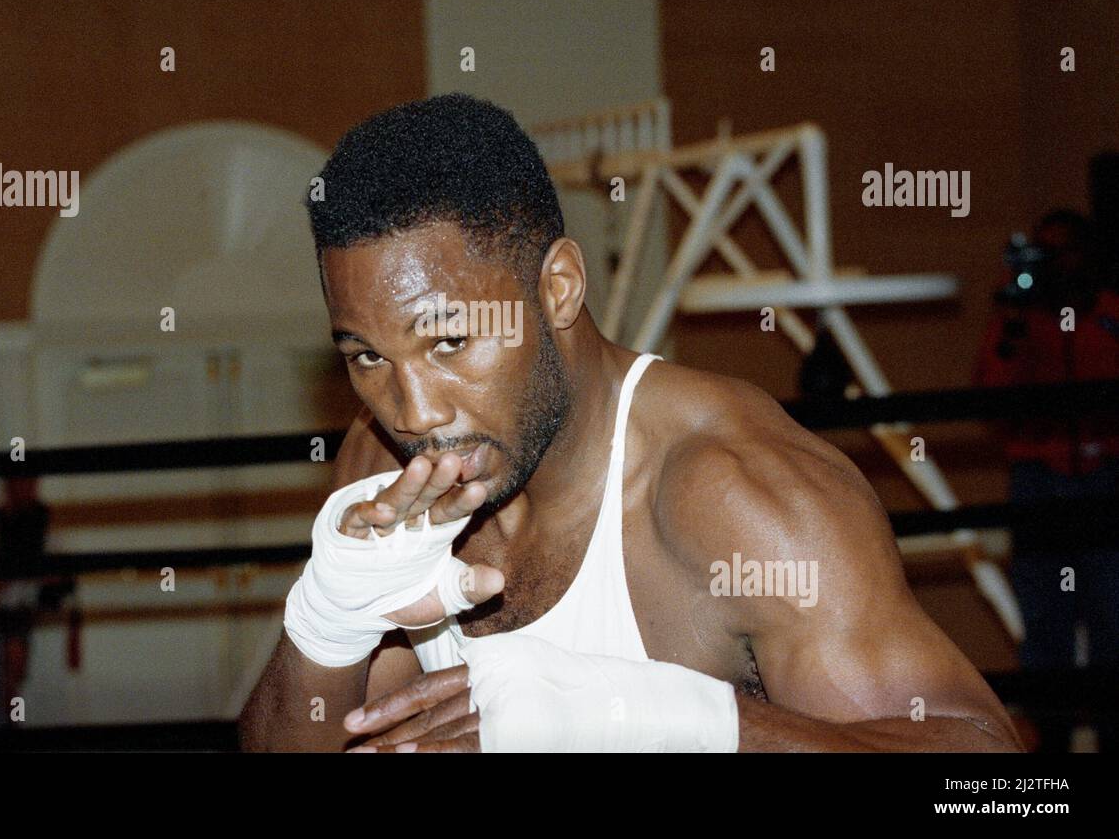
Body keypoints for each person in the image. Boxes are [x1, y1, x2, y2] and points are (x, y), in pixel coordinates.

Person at [239, 93, 1021, 753]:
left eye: (451, 340)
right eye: (367, 356)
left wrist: (688, 722)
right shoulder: (378, 463)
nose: (415, 412)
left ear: (559, 288)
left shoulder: (735, 498)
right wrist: (325, 624)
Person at [974, 208, 1119, 752]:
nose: (1058, 265)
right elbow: (992, 393)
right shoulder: (1022, 316)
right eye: (1046, 252)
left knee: (1113, 618)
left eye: (1067, 251)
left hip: (1106, 477)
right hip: (1039, 478)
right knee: (1045, 624)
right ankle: (1051, 752)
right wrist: (1013, 311)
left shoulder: (1110, 314)